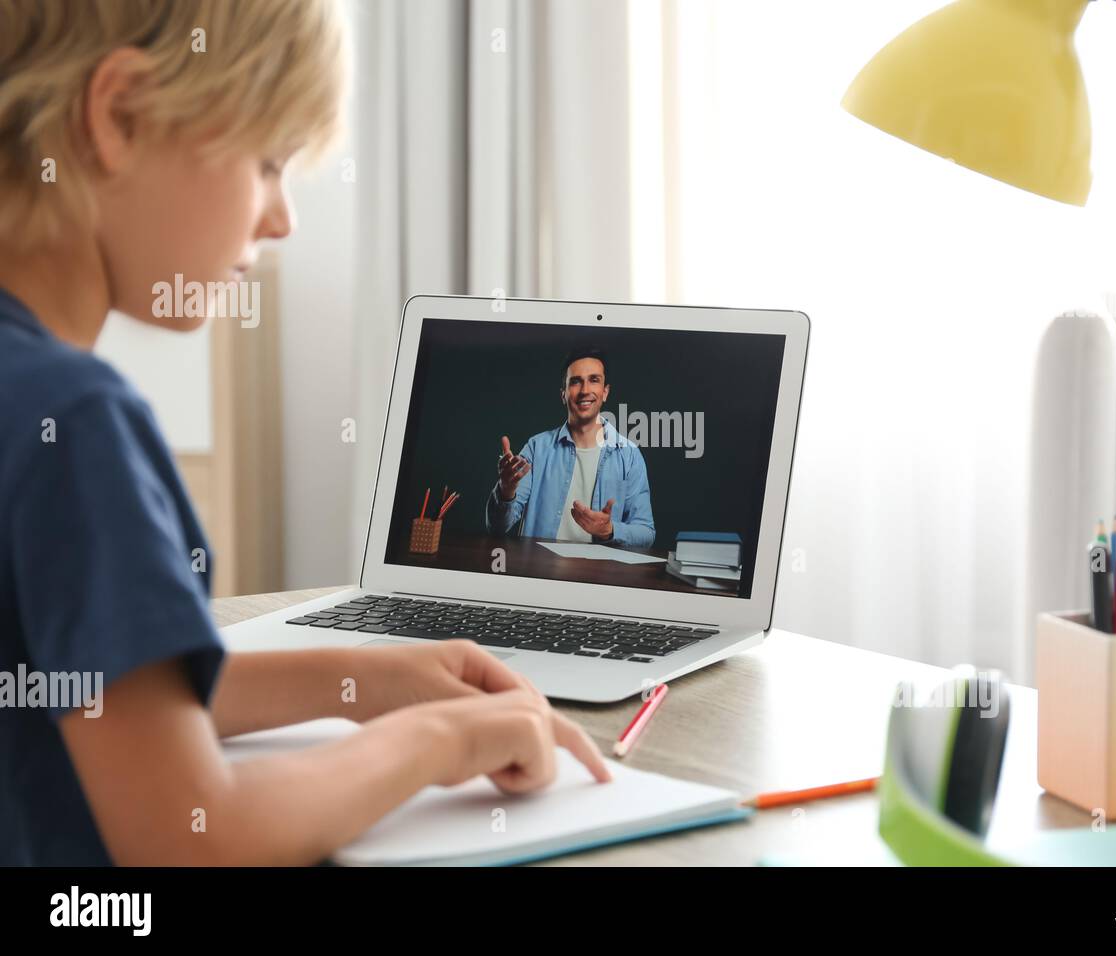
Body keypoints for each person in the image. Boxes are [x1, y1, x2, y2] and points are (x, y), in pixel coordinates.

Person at [0, 0, 608, 867]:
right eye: (269, 161)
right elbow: (190, 834)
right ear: (121, 115)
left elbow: (94, 693)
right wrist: (439, 743)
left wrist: (367, 682)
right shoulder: (80, 421)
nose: (282, 219)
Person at [487, 347, 655, 547]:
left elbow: (646, 533)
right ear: (563, 394)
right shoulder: (536, 448)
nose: (585, 390)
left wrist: (610, 531)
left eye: (594, 380)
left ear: (605, 392)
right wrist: (506, 491)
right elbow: (496, 528)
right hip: (539, 572)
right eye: (575, 381)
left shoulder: (629, 455)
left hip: (599, 575)